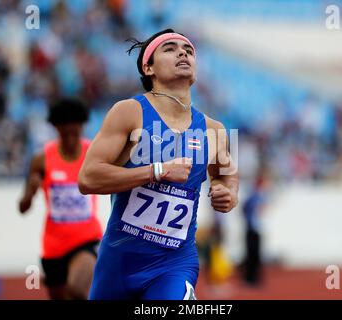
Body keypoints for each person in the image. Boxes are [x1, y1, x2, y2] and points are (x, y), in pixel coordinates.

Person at [79, 28, 239, 300]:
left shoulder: (214, 130)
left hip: (175, 263)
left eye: (188, 50)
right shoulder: (129, 112)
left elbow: (228, 175)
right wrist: (157, 171)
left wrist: (228, 193)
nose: (183, 53)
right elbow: (88, 178)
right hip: (119, 261)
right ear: (148, 67)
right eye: (170, 49)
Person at [18, 98, 103, 300]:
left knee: (77, 290)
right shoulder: (42, 159)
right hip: (53, 245)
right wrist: (30, 192)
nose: (71, 138)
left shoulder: (92, 153)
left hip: (87, 238)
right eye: (66, 133)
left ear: (82, 127)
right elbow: (22, 208)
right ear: (56, 129)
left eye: (75, 132)